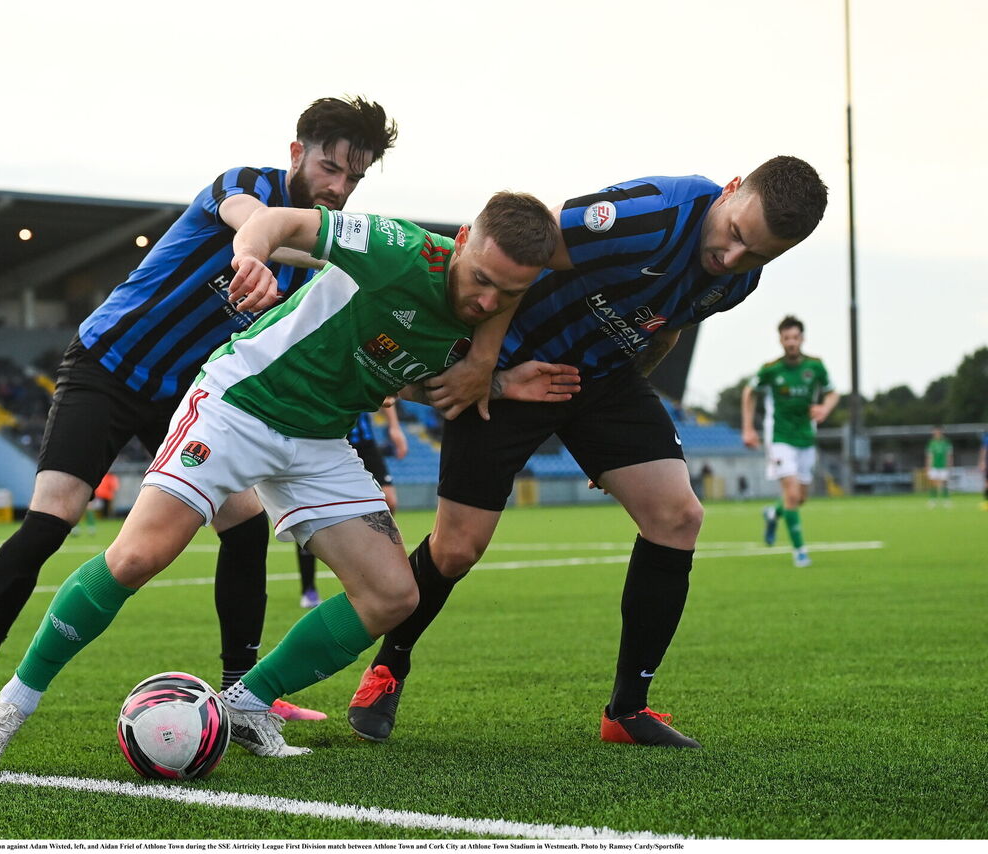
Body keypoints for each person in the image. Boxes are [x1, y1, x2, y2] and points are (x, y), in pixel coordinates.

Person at [0, 192, 577, 775]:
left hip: (320, 441)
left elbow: (419, 381)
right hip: (239, 405)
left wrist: (497, 380)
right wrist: (250, 256)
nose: (489, 302)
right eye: (482, 280)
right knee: (140, 554)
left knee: (394, 597)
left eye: (509, 292)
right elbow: (282, 222)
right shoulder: (398, 248)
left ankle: (246, 703)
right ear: (463, 241)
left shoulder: (488, 323)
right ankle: (7, 710)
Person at [0, 96, 400, 744]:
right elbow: (253, 222)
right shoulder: (245, 187)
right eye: (330, 167)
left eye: (353, 178)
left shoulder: (316, 255)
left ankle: (241, 693)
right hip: (109, 363)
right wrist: (261, 253)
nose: (338, 187)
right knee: (55, 517)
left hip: (181, 394)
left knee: (245, 524)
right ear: (297, 153)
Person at [346, 156, 829, 750]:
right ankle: (389, 665)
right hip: (515, 366)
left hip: (599, 381)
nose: (733, 260)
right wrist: (481, 365)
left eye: (756, 255)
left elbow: (668, 326)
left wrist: (616, 446)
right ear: (730, 191)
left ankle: (627, 710)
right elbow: (522, 258)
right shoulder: (650, 216)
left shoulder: (738, 280)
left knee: (678, 516)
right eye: (734, 236)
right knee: (457, 548)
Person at [741, 315, 838, 567]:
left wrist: (824, 408)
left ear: (802, 339)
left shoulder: (815, 367)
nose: (791, 342)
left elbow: (832, 392)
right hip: (780, 438)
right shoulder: (771, 369)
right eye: (787, 338)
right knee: (792, 494)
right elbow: (749, 391)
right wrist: (748, 428)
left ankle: (773, 513)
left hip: (806, 436)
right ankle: (800, 552)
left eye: (795, 337)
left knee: (801, 498)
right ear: (780, 340)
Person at [297, 405, 408, 609]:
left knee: (389, 501)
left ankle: (375, 564)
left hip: (364, 439)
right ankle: (309, 587)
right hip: (333, 439)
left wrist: (394, 427)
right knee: (311, 511)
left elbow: (387, 398)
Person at [925, 426, 953, 508]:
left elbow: (949, 455)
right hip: (934, 466)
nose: (936, 434)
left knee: (944, 483)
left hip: (944, 466)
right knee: (933, 483)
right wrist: (928, 466)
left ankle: (946, 500)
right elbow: (929, 456)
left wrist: (950, 465)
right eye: (935, 432)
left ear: (941, 433)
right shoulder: (931, 443)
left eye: (938, 432)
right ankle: (932, 500)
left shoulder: (946, 442)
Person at [979, 431, 988, 511]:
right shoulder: (986, 438)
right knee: (986, 483)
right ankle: (986, 503)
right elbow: (984, 450)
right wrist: (982, 462)